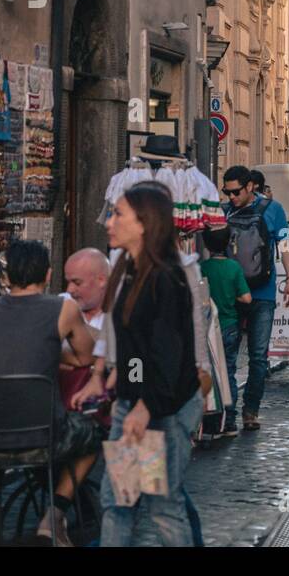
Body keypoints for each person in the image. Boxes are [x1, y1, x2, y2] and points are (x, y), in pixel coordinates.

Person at [0, 240, 98, 547]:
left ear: (7, 277)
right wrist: (53, 350)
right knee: (92, 438)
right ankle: (55, 514)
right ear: (49, 275)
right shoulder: (63, 308)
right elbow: (86, 355)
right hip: (42, 435)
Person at [100, 185, 201, 547]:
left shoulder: (165, 278)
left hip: (160, 411)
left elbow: (167, 354)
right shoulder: (128, 271)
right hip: (135, 404)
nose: (109, 222)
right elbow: (137, 348)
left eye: (118, 214)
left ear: (144, 224)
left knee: (161, 506)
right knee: (119, 502)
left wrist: (142, 407)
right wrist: (122, 384)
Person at [222, 165, 289, 431]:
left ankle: (250, 410)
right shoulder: (223, 210)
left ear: (250, 186)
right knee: (227, 354)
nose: (231, 197)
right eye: (227, 192)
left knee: (258, 356)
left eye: (236, 192)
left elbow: (286, 245)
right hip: (231, 293)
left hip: (262, 293)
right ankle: (228, 413)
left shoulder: (273, 209)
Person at [200, 226, 251, 437]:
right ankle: (229, 421)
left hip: (207, 327)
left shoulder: (202, 267)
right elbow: (247, 298)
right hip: (230, 325)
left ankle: (211, 420)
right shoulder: (234, 268)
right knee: (228, 371)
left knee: (209, 372)